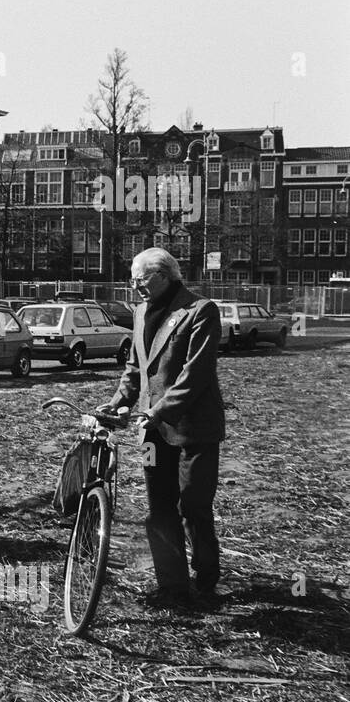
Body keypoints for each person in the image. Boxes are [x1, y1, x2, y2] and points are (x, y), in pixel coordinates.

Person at [97, 248, 226, 607]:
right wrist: (120, 399)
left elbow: (195, 374)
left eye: (142, 278)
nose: (135, 285)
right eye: (133, 279)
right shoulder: (140, 312)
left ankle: (206, 574)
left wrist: (160, 410)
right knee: (160, 508)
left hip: (193, 428)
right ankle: (172, 586)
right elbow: (136, 367)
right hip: (153, 431)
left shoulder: (200, 311)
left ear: (167, 275)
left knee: (194, 505)